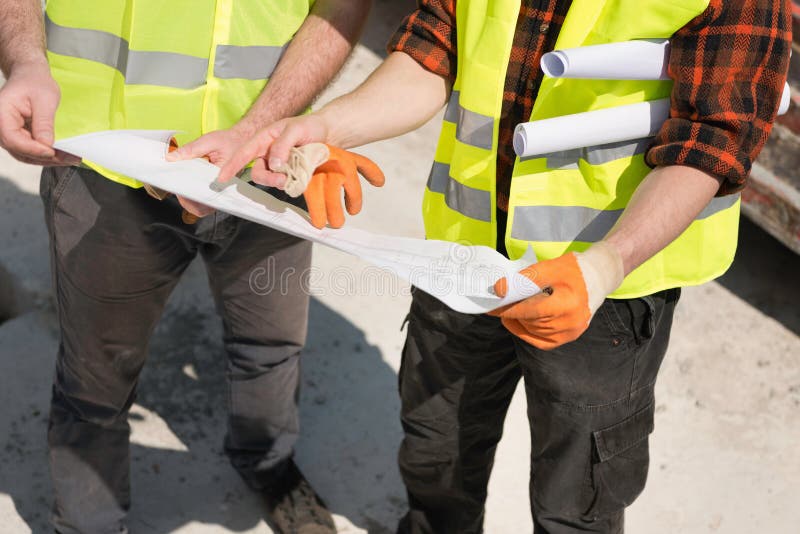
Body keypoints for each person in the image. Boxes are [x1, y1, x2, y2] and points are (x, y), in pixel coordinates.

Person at [217, 0, 792, 532]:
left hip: (600, 296)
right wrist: (329, 126)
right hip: (463, 261)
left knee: (578, 497)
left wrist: (603, 267)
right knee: (435, 452)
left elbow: (713, 138)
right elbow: (435, 46)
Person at [0, 1, 373, 533]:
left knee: (270, 346)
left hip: (270, 162)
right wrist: (25, 61)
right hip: (107, 162)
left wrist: (262, 127)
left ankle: (267, 465)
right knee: (94, 384)